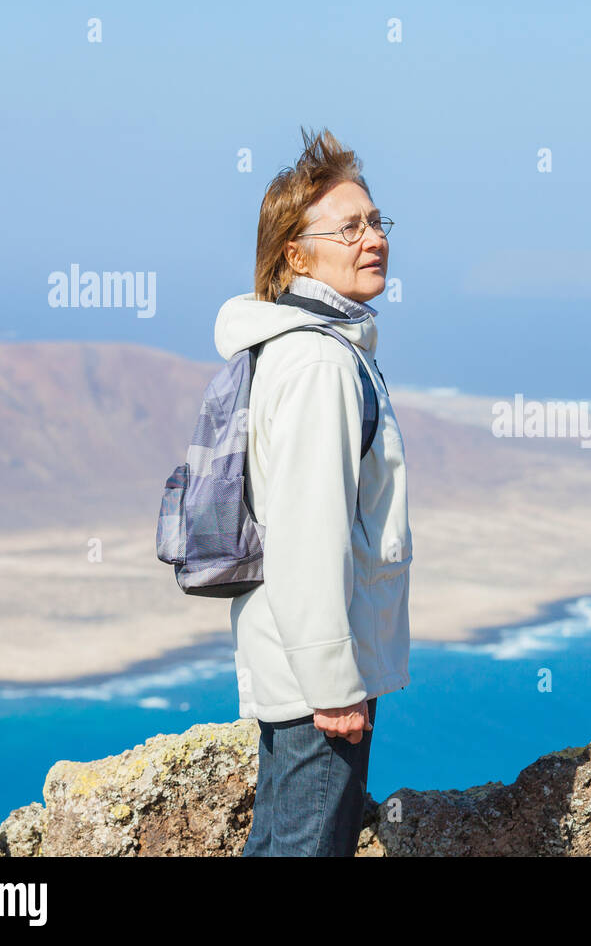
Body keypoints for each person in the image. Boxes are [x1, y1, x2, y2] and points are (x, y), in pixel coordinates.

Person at [213, 127, 412, 856]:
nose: (374, 239)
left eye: (376, 221)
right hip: (316, 681)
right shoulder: (318, 363)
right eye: (349, 227)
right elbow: (306, 528)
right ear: (296, 254)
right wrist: (335, 684)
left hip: (301, 667)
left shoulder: (309, 348)